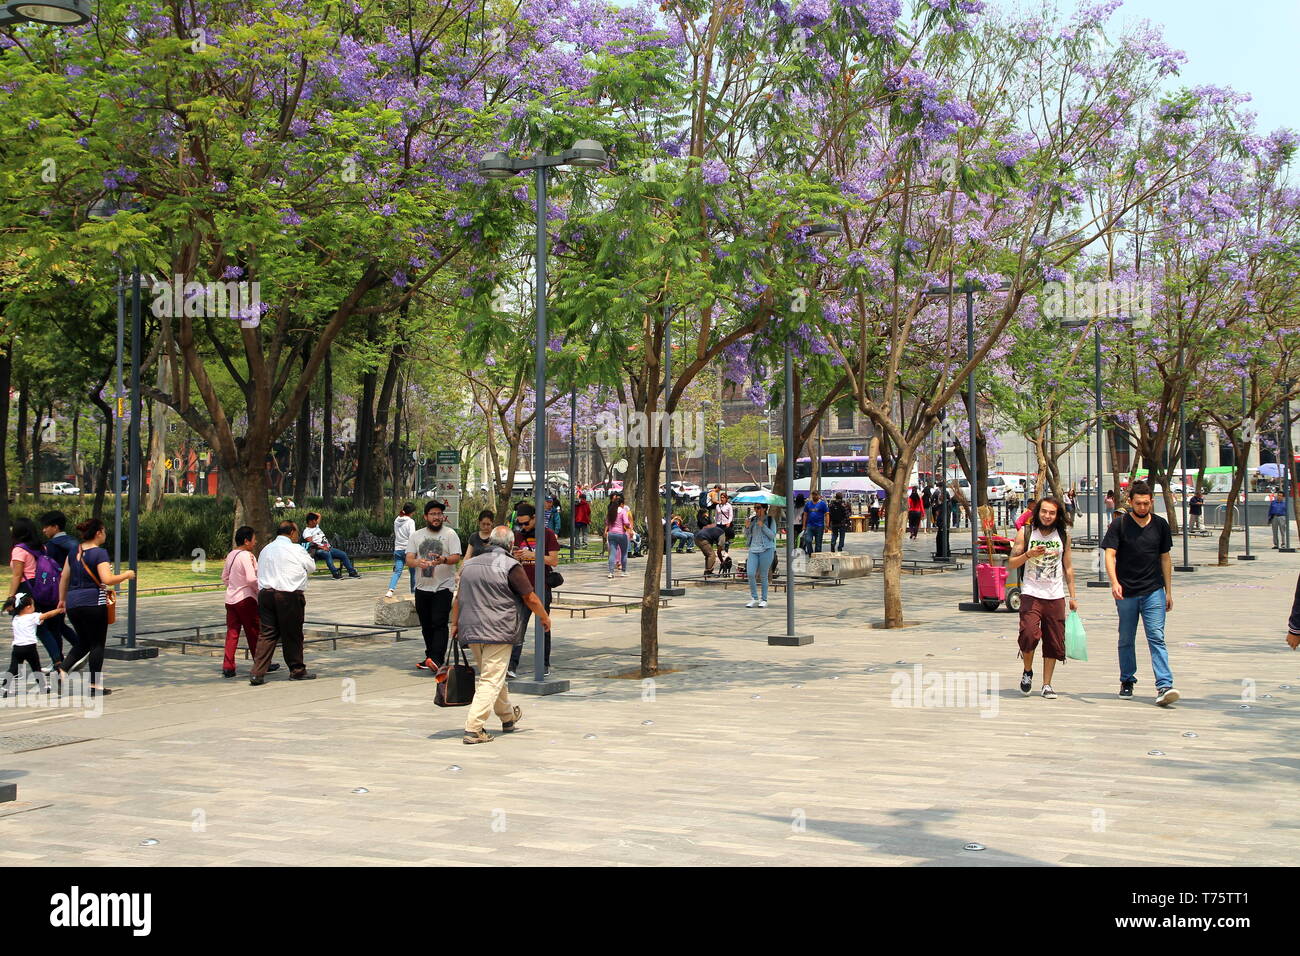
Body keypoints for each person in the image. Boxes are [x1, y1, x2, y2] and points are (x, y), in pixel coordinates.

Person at [451, 526, 552, 745]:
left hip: (472, 629)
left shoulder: (468, 565)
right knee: (491, 679)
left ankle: (507, 717)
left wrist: (455, 624)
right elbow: (530, 597)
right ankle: (474, 728)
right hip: (498, 630)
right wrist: (544, 617)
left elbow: (458, 598)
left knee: (493, 676)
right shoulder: (510, 565)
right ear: (510, 545)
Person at [1102, 480, 1179, 706]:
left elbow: (1165, 558)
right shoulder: (1120, 525)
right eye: (1139, 503)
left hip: (1153, 590)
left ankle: (1164, 684)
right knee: (1126, 638)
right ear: (1130, 502)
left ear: (1151, 502)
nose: (1143, 507)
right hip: (1126, 591)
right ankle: (1127, 679)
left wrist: (1168, 591)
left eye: (1146, 503)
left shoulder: (1160, 525)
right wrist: (1114, 582)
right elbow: (1109, 555)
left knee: (1156, 636)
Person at [1008, 497, 1077, 699]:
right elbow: (1011, 563)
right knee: (1028, 634)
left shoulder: (1062, 536)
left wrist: (1073, 595)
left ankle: (1047, 684)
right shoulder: (1026, 533)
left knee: (1054, 641)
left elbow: (1068, 567)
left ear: (1058, 516)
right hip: (1031, 593)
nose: (1047, 516)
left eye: (1052, 513)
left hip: (1055, 596)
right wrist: (1028, 555)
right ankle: (1027, 671)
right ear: (1037, 512)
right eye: (1044, 511)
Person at [56, 518, 134, 695]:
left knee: (83, 641)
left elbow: (64, 578)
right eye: (104, 531)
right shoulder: (100, 553)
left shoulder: (73, 552)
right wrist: (126, 575)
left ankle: (62, 669)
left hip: (73, 603)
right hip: (93, 602)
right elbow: (107, 579)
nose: (105, 534)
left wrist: (62, 600)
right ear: (98, 533)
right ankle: (94, 685)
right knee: (97, 644)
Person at [250, 520, 318, 684]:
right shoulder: (296, 549)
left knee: (267, 634)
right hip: (288, 595)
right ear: (292, 532)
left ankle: (257, 672)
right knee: (292, 633)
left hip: (266, 594)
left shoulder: (266, 549)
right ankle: (297, 670)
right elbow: (311, 567)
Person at [407, 500, 463, 672]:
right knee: (426, 624)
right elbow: (409, 559)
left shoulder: (450, 534)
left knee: (439, 622)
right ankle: (430, 656)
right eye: (433, 514)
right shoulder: (416, 535)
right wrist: (418, 562)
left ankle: (437, 659)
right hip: (422, 587)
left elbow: (456, 557)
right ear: (426, 517)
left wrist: (443, 560)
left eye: (439, 514)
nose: (437, 517)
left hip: (443, 587)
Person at [508, 501, 559, 678]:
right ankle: (511, 666)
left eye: (526, 523)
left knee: (543, 625)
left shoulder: (548, 535)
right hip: (521, 589)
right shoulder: (517, 536)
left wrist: (533, 555)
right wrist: (516, 557)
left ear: (535, 518)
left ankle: (544, 663)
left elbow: (553, 560)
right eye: (520, 523)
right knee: (517, 627)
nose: (523, 527)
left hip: (541, 588)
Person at [7, 517, 62, 671]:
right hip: (40, 589)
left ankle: (14, 668)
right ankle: (57, 660)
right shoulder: (41, 548)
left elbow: (17, 576)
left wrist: (11, 598)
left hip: (25, 590)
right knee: (43, 629)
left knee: (22, 627)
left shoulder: (19, 550)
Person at [221, 525, 275, 679]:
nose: (255, 542)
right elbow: (251, 578)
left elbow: (224, 577)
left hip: (231, 599)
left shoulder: (231, 555)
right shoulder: (247, 556)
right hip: (246, 599)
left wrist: (234, 586)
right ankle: (261, 662)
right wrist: (260, 590)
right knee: (254, 633)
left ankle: (228, 666)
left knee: (232, 633)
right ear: (246, 541)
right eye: (253, 539)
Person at [3, 591, 64, 697]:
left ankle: (4, 688)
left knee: (13, 668)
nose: (34, 607)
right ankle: (43, 687)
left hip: (17, 649)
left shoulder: (16, 618)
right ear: (27, 607)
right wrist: (59, 610)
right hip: (30, 648)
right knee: (36, 668)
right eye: (33, 605)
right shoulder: (32, 616)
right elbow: (47, 615)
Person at [39, 510, 78, 662]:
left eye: (46, 526)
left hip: (55, 591)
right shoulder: (74, 543)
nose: (44, 530)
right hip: (74, 588)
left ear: (55, 527)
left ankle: (58, 660)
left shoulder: (50, 546)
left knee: (54, 627)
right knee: (59, 624)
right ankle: (80, 647)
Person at [302, 513, 359, 579]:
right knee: (327, 554)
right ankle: (335, 573)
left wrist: (309, 514)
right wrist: (322, 547)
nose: (317, 522)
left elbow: (319, 515)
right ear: (310, 521)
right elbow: (311, 544)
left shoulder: (316, 526)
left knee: (343, 554)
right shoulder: (307, 531)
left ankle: (351, 572)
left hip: (328, 548)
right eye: (315, 520)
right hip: (318, 550)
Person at [744, 502, 777, 608]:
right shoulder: (753, 520)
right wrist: (747, 527)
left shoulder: (770, 520)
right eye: (755, 508)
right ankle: (754, 598)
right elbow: (747, 535)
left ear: (764, 508)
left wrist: (763, 526)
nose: (756, 510)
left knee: (763, 575)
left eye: (758, 508)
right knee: (750, 573)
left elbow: (772, 536)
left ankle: (764, 599)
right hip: (753, 549)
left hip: (766, 549)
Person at [386, 502, 417, 598]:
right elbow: (412, 536)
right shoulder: (410, 522)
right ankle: (413, 592)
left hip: (398, 549)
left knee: (397, 571)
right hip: (408, 550)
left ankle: (390, 590)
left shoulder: (396, 520)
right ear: (411, 512)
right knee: (413, 572)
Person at [605, 492, 632, 579]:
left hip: (611, 534)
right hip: (621, 534)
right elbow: (626, 522)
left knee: (612, 554)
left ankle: (610, 572)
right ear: (621, 504)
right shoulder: (623, 511)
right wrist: (629, 527)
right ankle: (623, 571)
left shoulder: (611, 511)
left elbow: (607, 522)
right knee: (624, 553)